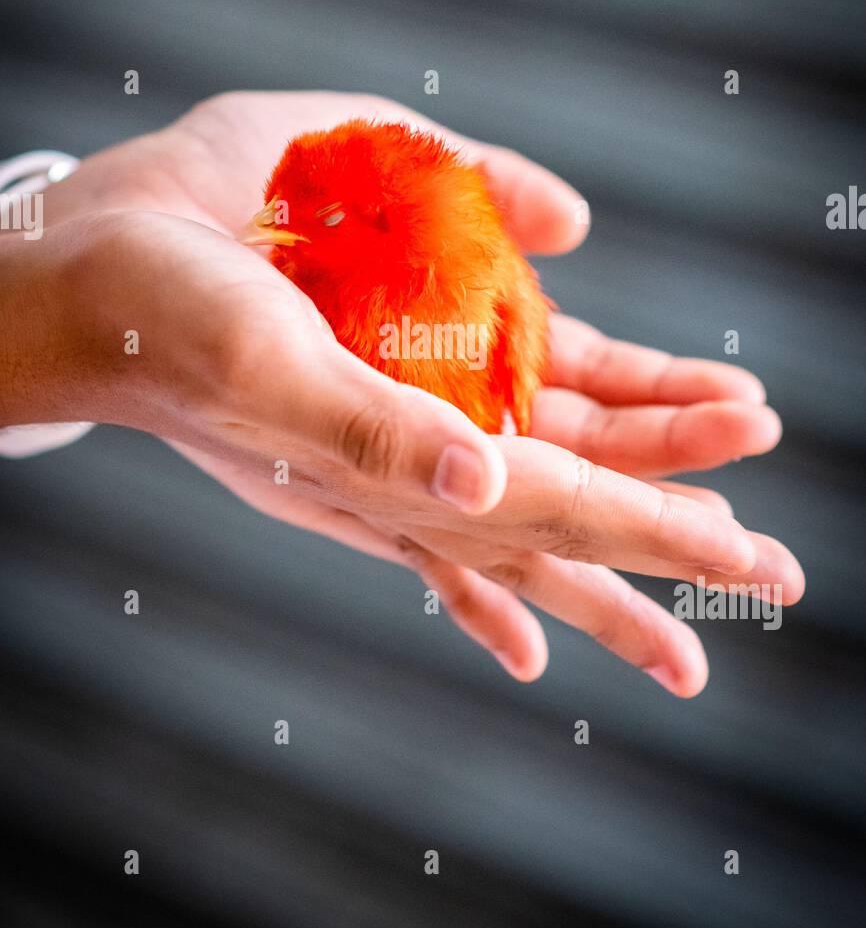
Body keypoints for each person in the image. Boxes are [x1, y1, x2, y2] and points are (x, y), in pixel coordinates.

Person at [0, 91, 803, 693]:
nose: (267, 225)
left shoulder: (446, 277)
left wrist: (74, 240)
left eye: (319, 216)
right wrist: (77, 304)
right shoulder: (323, 253)